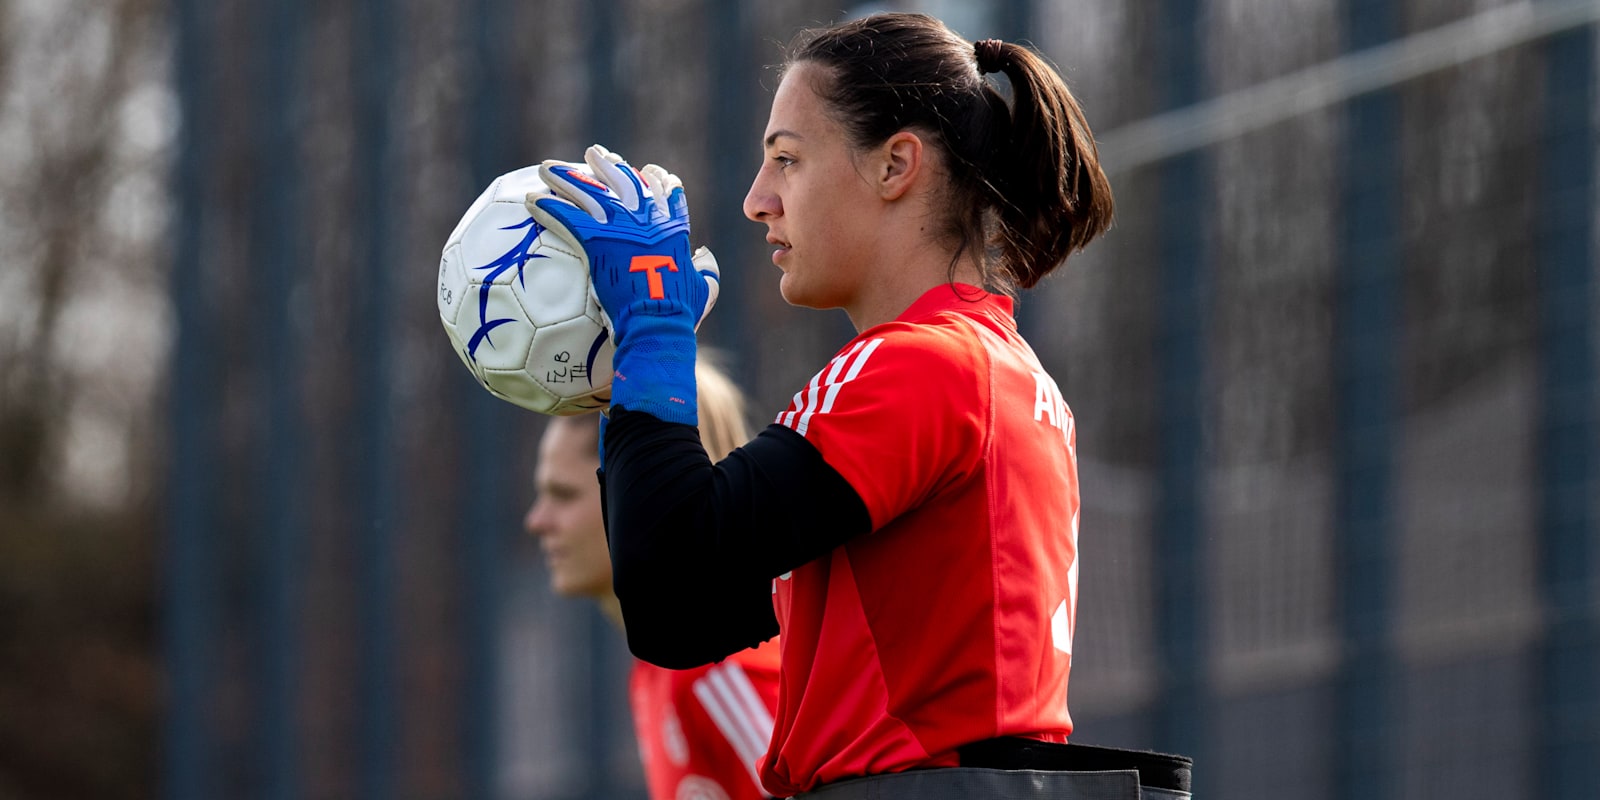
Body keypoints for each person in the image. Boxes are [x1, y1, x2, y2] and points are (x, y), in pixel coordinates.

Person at [526, 12, 1191, 799]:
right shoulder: (1002, 368)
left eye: (787, 160)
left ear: (895, 165)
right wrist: (640, 371)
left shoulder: (913, 365)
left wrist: (653, 341)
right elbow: (682, 620)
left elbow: (670, 569)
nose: (756, 200)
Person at [523, 358, 781, 800]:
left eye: (563, 495)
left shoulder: (720, 670)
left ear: (630, 491)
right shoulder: (658, 671)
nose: (536, 521)